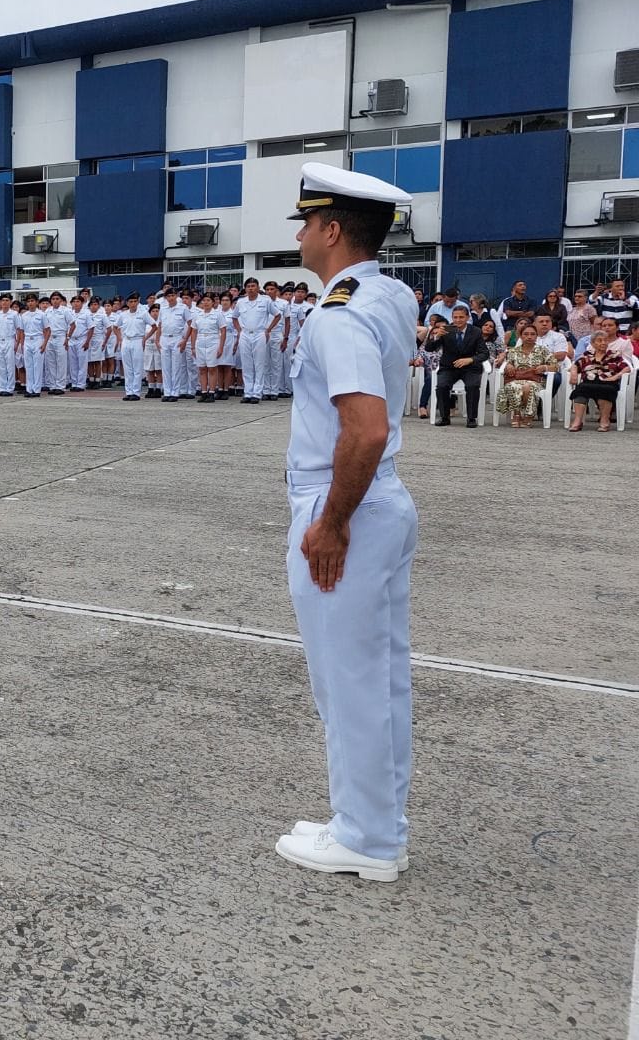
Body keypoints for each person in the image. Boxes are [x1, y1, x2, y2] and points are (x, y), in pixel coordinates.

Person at [272, 161, 417, 884]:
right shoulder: (387, 295)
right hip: (379, 501)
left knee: (348, 681)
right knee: (376, 677)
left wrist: (331, 523)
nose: (298, 234)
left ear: (332, 230)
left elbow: (362, 430)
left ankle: (366, 838)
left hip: (347, 506)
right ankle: (371, 820)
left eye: (306, 221)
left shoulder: (340, 313)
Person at [425, 306, 487, 427]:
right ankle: (444, 417)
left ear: (467, 318)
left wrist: (470, 360)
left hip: (469, 367)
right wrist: (437, 336)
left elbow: (484, 353)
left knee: (473, 386)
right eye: (455, 317)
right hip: (449, 367)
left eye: (461, 317)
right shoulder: (446, 330)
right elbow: (429, 348)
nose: (458, 320)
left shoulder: (476, 331)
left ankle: (471, 418)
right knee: (442, 386)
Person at [494, 321, 556, 427]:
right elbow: (503, 364)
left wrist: (544, 367)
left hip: (535, 380)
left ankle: (527, 416)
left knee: (527, 387)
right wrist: (508, 365)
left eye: (532, 334)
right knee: (514, 386)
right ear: (521, 336)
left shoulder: (543, 350)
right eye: (526, 334)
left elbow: (555, 366)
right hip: (515, 379)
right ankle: (517, 414)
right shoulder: (513, 351)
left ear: (536, 336)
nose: (529, 337)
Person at [569, 329, 627, 432]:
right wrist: (573, 374)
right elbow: (575, 365)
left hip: (607, 382)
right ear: (592, 343)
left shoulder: (614, 355)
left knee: (605, 390)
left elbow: (626, 368)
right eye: (599, 340)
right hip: (589, 382)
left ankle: (604, 420)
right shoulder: (587, 355)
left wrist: (616, 376)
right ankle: (578, 421)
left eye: (605, 340)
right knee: (580, 389)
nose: (603, 343)